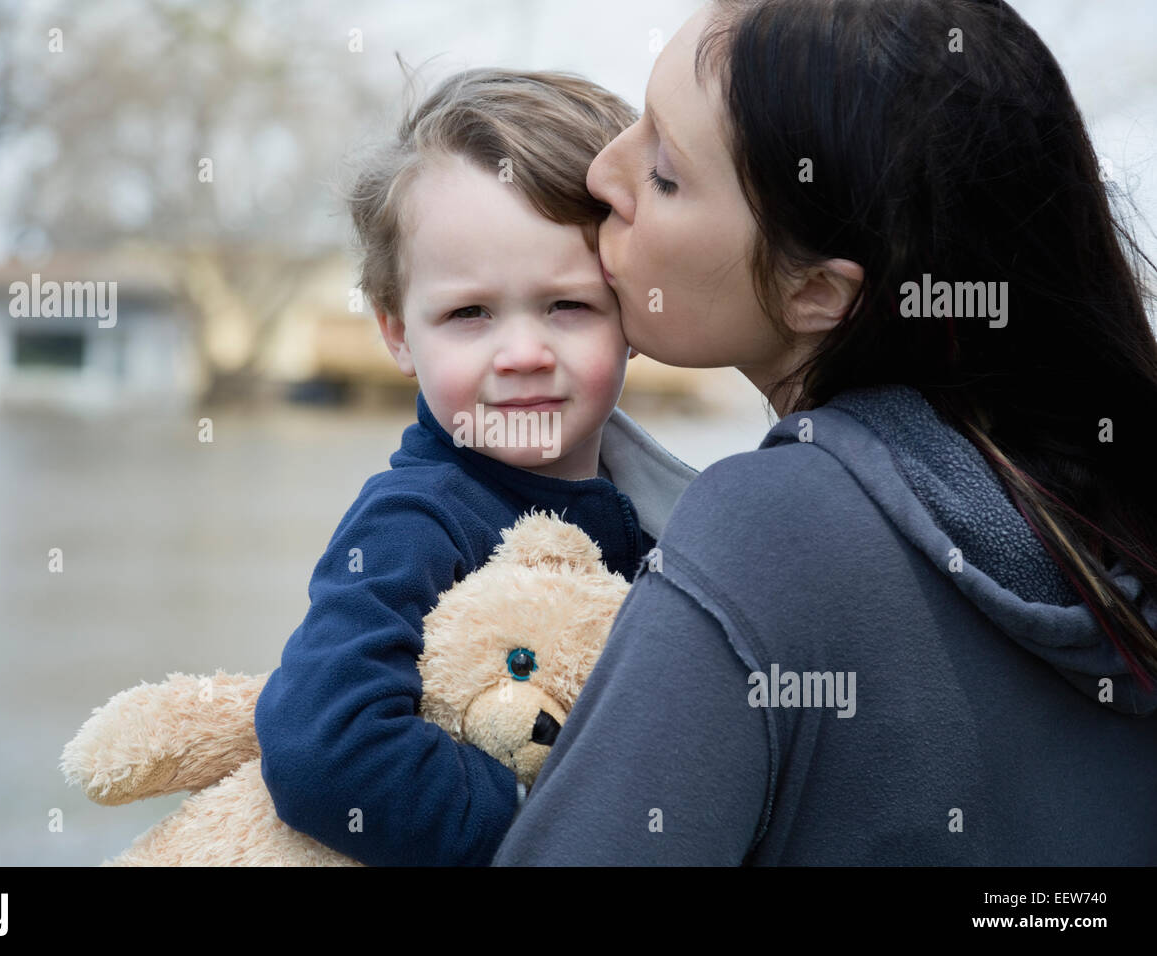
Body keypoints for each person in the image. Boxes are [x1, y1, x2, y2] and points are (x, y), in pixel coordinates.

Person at [494, 0, 1157, 865]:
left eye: (663, 171)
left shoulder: (774, 528)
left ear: (818, 292)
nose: (599, 174)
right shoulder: (1112, 512)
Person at [253, 67, 698, 866]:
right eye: (469, 314)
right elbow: (324, 747)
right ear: (396, 333)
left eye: (568, 306)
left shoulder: (682, 518)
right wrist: (554, 827)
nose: (523, 354)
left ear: (633, 312)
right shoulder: (415, 520)